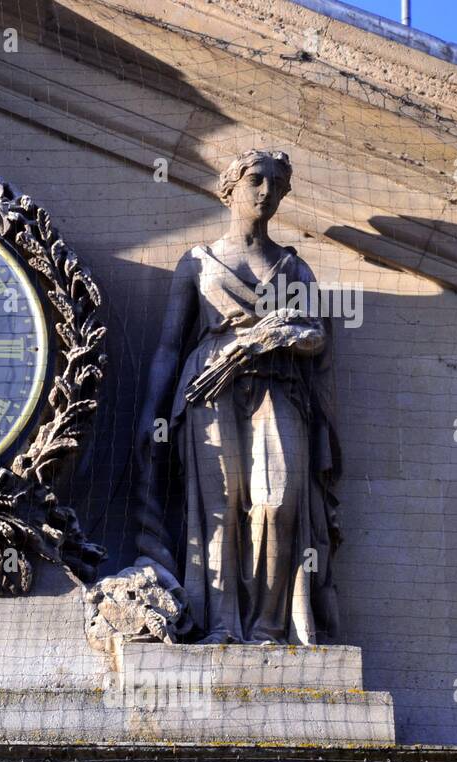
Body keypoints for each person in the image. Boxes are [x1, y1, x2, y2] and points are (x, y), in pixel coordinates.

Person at [134, 149, 340, 645]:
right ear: (230, 188)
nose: (267, 191)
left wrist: (275, 336)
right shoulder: (198, 262)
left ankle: (270, 626)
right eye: (256, 180)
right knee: (219, 504)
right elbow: (167, 346)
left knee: (278, 502)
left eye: (277, 183)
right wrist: (151, 412)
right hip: (210, 387)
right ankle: (220, 623)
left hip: (278, 387)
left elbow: (317, 337)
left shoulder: (293, 268)